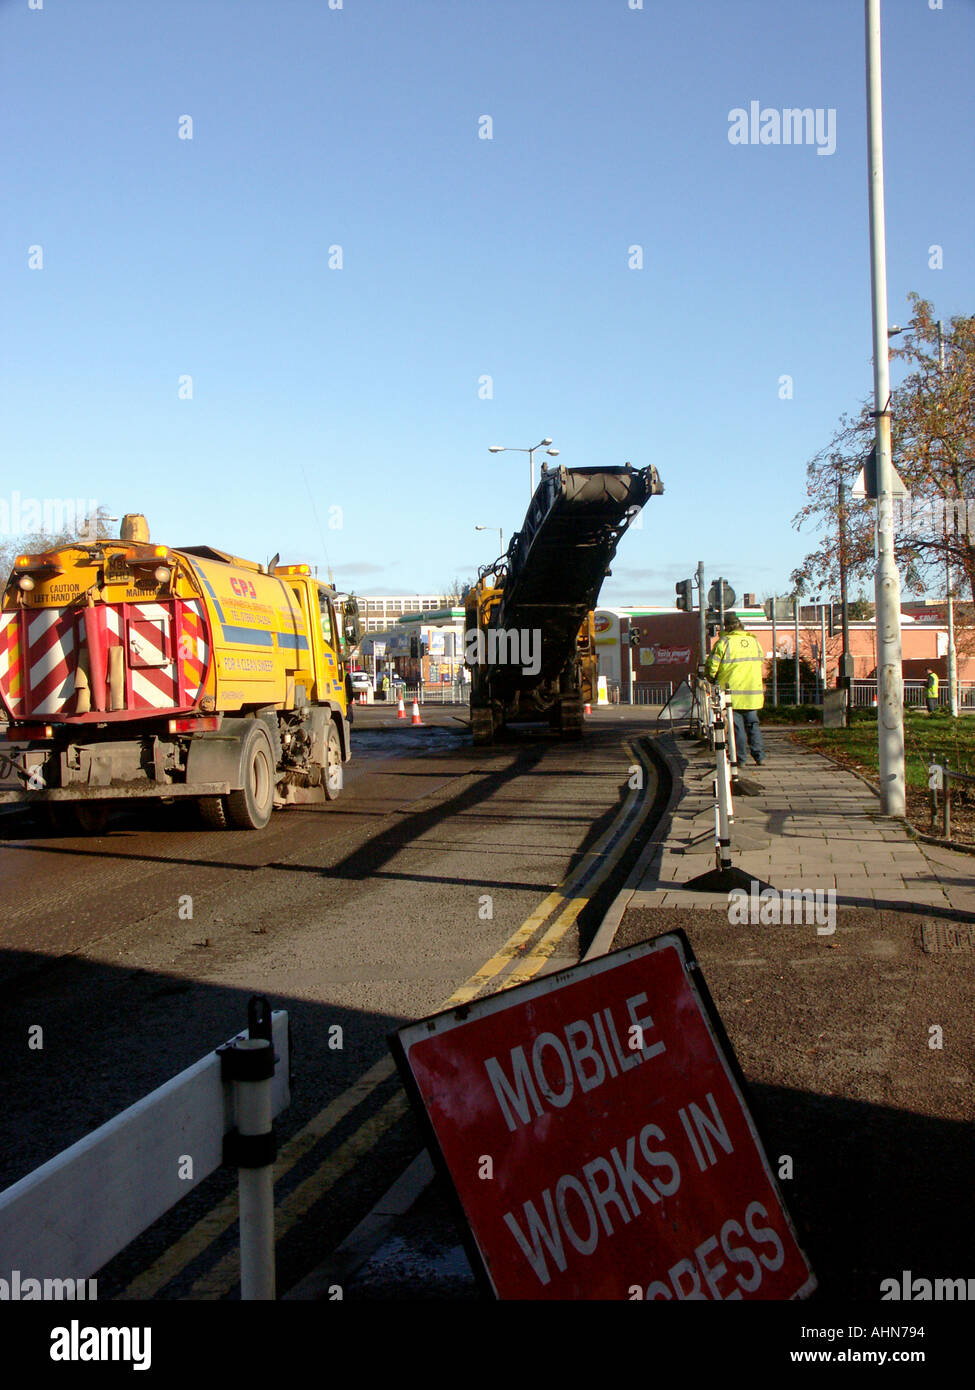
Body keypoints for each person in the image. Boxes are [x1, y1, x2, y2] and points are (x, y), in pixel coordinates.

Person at [704, 613, 766, 766]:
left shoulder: (724, 643)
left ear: (726, 627)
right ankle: (759, 756)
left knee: (736, 728)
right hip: (752, 693)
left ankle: (740, 759)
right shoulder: (754, 642)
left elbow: (712, 667)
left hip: (731, 693)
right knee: (753, 725)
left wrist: (711, 679)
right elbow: (760, 662)